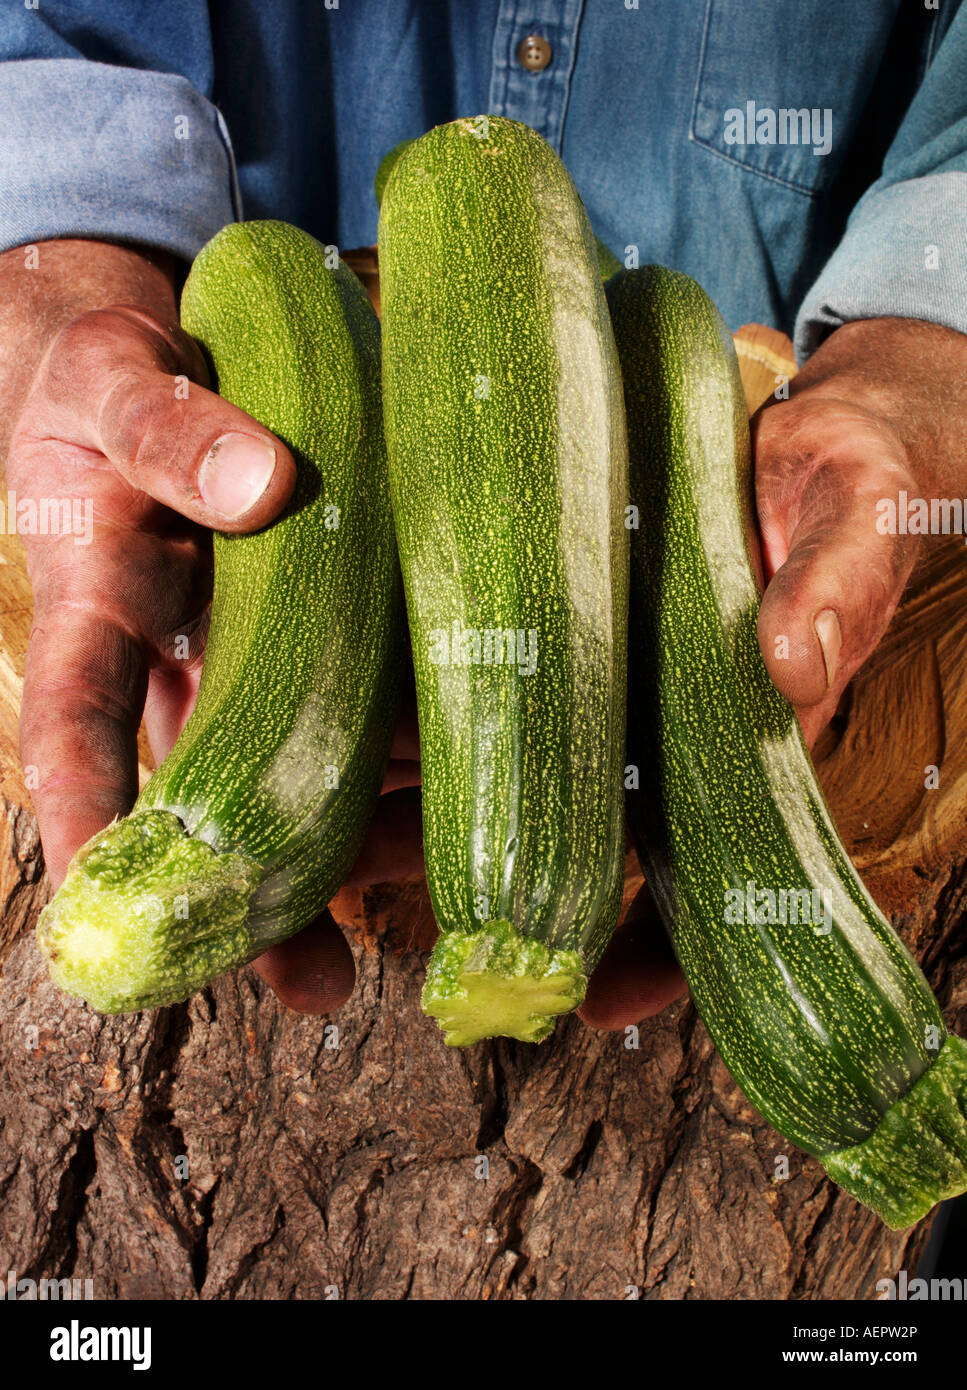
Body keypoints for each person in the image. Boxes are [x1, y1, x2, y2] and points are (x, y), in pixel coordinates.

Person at [2, 1, 966, 1022]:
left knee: (650, 316)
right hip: (210, 373)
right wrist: (63, 272)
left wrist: (923, 351)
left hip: (777, 420)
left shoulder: (662, 338)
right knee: (275, 273)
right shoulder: (274, 286)